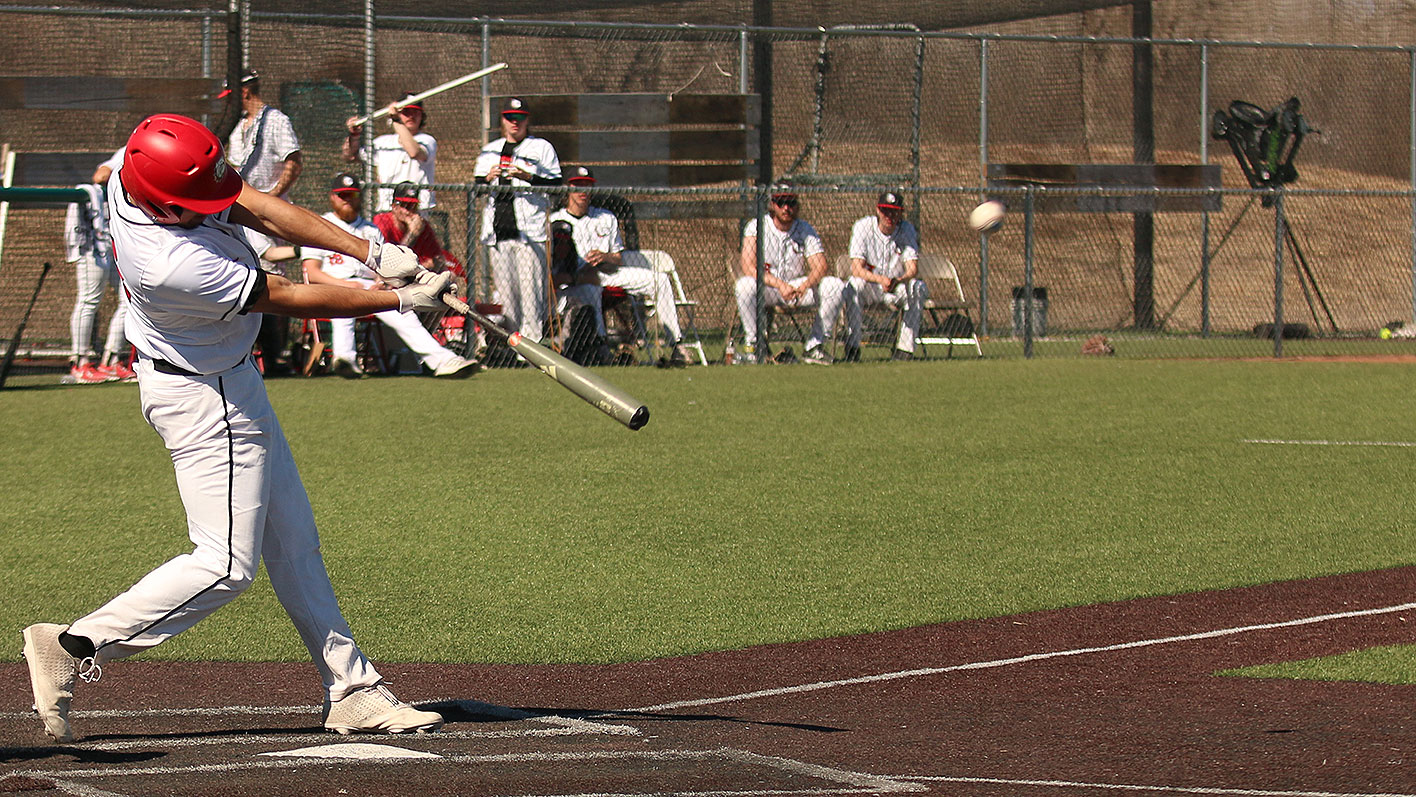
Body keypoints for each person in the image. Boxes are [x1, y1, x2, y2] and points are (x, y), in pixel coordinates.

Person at [20, 113, 456, 744]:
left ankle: (353, 689)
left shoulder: (142, 167)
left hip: (225, 377)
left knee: (295, 540)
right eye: (195, 205)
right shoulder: (169, 263)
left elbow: (258, 205)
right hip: (202, 397)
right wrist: (397, 299)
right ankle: (76, 644)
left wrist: (372, 252)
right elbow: (287, 296)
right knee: (226, 564)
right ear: (163, 202)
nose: (213, 206)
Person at [303, 173, 479, 379]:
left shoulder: (371, 229)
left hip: (372, 286)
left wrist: (381, 284)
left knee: (405, 314)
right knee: (344, 306)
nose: (348, 200)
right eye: (343, 195)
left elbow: (385, 268)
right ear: (332, 197)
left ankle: (444, 361)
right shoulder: (319, 224)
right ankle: (345, 360)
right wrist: (345, 285)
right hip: (334, 284)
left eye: (352, 195)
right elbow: (312, 273)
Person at [549, 166, 692, 367]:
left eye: (587, 186)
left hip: (608, 272)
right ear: (567, 189)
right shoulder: (556, 220)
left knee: (659, 280)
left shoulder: (606, 217)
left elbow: (618, 258)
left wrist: (604, 256)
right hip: (578, 279)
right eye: (577, 186)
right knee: (591, 290)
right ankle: (601, 348)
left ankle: (677, 344)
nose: (583, 191)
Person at [224, 68, 304, 376]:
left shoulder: (276, 121)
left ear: (244, 93)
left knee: (268, 277)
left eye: (232, 97)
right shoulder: (237, 129)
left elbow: (294, 162)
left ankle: (274, 356)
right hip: (241, 209)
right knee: (246, 274)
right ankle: (255, 353)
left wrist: (271, 196)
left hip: (269, 210)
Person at [474, 97, 561, 342]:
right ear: (502, 120)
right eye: (510, 118)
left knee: (531, 294)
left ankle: (531, 346)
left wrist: (527, 175)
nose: (515, 123)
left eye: (520, 118)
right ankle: (511, 345)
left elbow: (556, 184)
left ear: (526, 120)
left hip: (529, 234)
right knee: (507, 297)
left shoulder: (540, 147)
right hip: (498, 233)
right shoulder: (490, 150)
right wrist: (488, 178)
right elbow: (476, 189)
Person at [735, 184, 844, 365]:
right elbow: (748, 267)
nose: (787, 208)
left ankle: (814, 346)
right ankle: (754, 346)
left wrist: (803, 286)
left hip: (796, 288)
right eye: (781, 202)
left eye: (791, 203)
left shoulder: (805, 229)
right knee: (744, 285)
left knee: (834, 285)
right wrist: (779, 285)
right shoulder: (756, 226)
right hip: (769, 288)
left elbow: (821, 266)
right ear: (772, 204)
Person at [64, 148, 134, 384]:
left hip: (117, 239)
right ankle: (80, 361)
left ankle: (111, 360)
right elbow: (100, 176)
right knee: (89, 299)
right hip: (95, 240)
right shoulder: (129, 153)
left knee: (129, 299)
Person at [843, 191, 930, 361]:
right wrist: (880, 279)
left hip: (896, 287)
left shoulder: (906, 229)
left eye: (894, 211)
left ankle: (905, 350)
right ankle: (852, 347)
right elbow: (856, 269)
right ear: (878, 210)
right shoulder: (863, 226)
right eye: (886, 210)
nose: (889, 216)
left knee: (918, 287)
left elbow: (912, 269)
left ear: (900, 213)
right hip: (872, 286)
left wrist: (898, 280)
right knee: (854, 285)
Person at [344, 92, 436, 213]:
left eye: (415, 112)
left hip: (416, 209)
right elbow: (351, 156)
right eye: (406, 112)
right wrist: (354, 136)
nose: (411, 116)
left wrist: (396, 120)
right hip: (387, 210)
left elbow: (414, 152)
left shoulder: (427, 140)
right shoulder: (383, 142)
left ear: (421, 116)